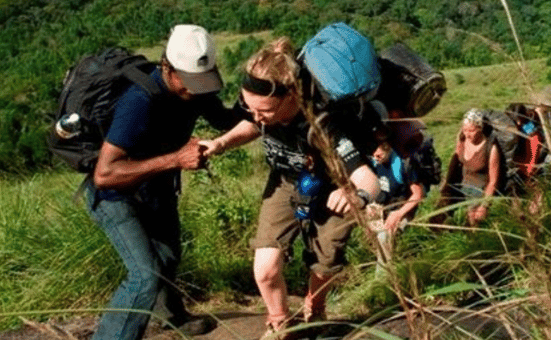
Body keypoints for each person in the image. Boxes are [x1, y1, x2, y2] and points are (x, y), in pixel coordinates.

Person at [199, 38, 381, 339]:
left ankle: (315, 308)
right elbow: (252, 124)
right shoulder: (259, 107)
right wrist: (220, 143)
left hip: (332, 189)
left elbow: (367, 179)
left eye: (264, 111)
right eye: (250, 107)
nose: (256, 117)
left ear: (291, 98)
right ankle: (280, 322)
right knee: (266, 268)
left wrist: (355, 195)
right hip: (285, 182)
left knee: (324, 265)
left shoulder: (322, 125)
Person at [85, 25, 236, 340]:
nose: (195, 91)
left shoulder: (196, 90)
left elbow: (225, 120)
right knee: (145, 275)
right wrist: (176, 159)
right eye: (189, 83)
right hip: (116, 196)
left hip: (157, 190)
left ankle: (173, 319)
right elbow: (104, 174)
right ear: (167, 68)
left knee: (167, 258)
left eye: (201, 82)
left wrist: (264, 96)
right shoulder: (139, 101)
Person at [365, 123, 424, 266]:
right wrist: (371, 212)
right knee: (372, 238)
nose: (375, 157)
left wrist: (398, 214)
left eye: (379, 154)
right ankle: (393, 261)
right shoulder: (373, 161)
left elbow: (418, 194)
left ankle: (382, 281)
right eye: (373, 153)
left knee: (384, 237)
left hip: (403, 207)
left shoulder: (402, 162)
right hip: (382, 205)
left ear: (388, 148)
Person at [438, 109, 507, 226]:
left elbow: (493, 181)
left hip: (479, 189)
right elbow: (455, 162)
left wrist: (484, 205)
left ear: (480, 129)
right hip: (462, 185)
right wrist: (447, 185)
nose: (468, 134)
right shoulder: (462, 139)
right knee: (441, 216)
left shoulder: (491, 148)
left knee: (474, 221)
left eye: (471, 130)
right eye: (465, 130)